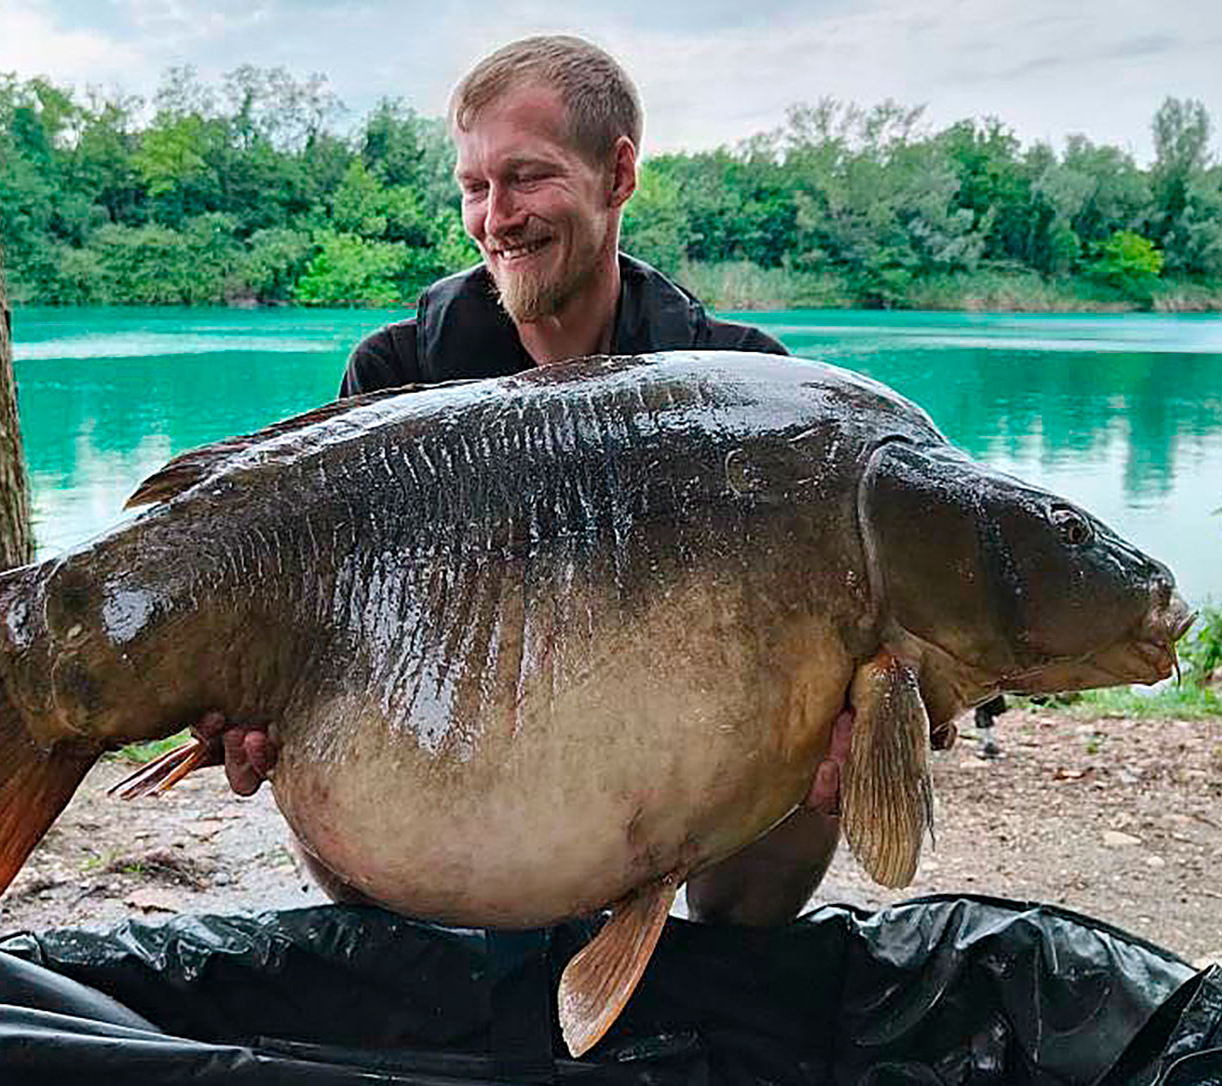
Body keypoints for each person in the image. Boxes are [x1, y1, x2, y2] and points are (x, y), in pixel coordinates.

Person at [219, 33, 852, 930]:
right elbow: (326, 614)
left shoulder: (749, 385)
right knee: (315, 751)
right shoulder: (396, 374)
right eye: (475, 188)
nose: (497, 216)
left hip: (678, 747)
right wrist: (253, 702)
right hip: (455, 745)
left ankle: (712, 988)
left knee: (815, 749)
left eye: (528, 177)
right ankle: (446, 983)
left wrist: (880, 705)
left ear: (619, 174)